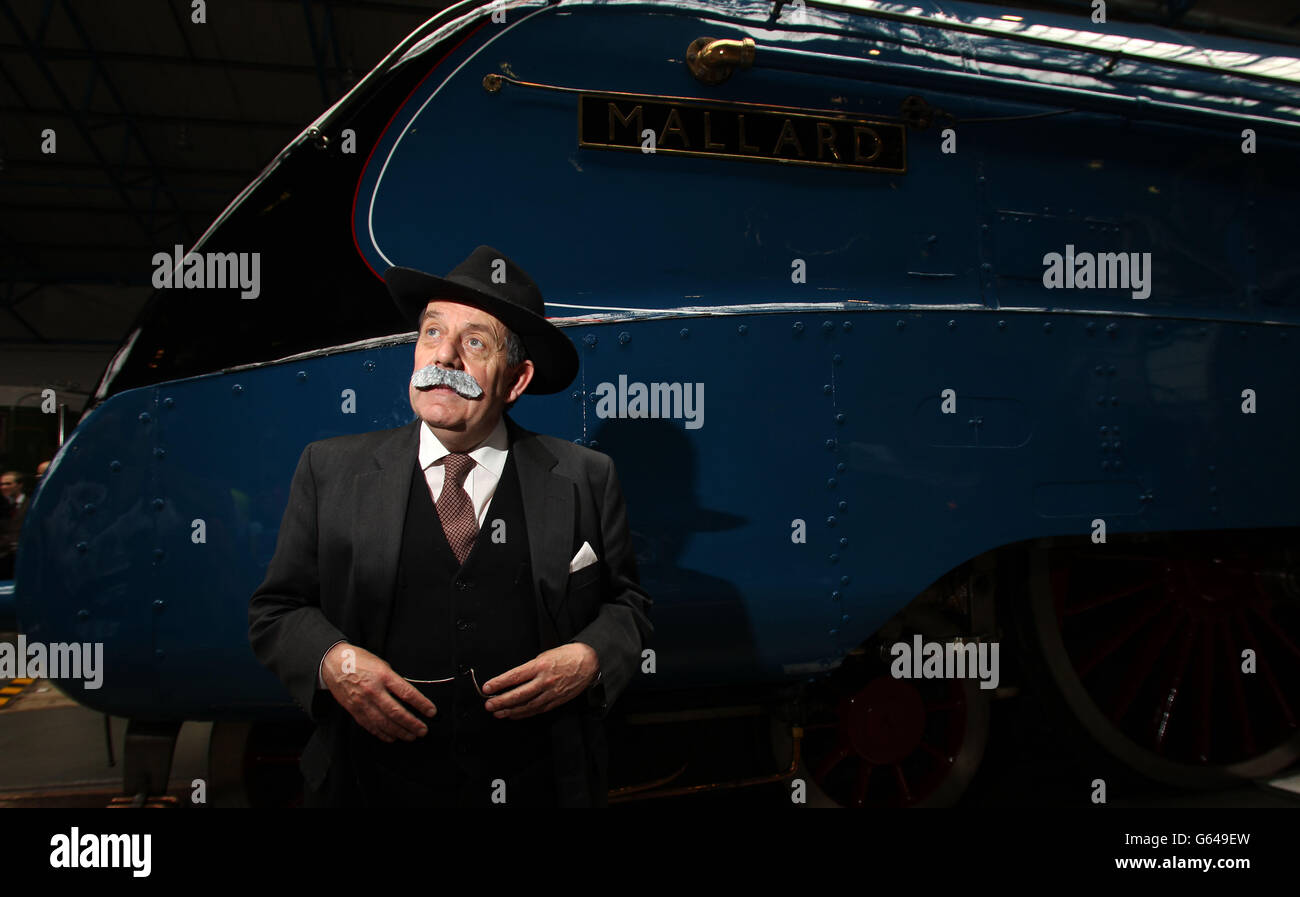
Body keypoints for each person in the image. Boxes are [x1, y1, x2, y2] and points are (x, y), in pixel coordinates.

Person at [248, 245, 652, 807]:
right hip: (370, 786)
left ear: (516, 380)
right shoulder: (329, 469)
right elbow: (277, 611)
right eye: (432, 334)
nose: (446, 359)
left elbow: (627, 607)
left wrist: (589, 660)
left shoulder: (586, 477)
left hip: (542, 785)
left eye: (475, 343)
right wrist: (332, 663)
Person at [0, 470, 27, 578]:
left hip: (24, 557)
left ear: (19, 485)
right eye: (1, 484)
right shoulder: (1, 507)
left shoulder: (31, 505)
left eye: (8, 484)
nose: (3, 487)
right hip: (3, 559)